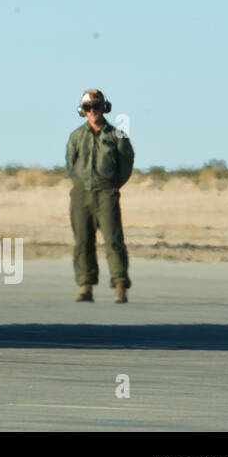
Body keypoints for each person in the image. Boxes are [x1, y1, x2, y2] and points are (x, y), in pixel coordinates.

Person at [66, 88, 135, 303]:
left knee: (113, 241)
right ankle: (86, 286)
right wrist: (80, 183)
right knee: (82, 242)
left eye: (96, 107)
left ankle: (120, 285)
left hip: (107, 194)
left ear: (104, 108)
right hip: (81, 195)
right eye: (88, 108)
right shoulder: (76, 136)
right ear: (83, 111)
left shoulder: (117, 135)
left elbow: (126, 164)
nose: (93, 111)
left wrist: (113, 185)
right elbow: (70, 164)